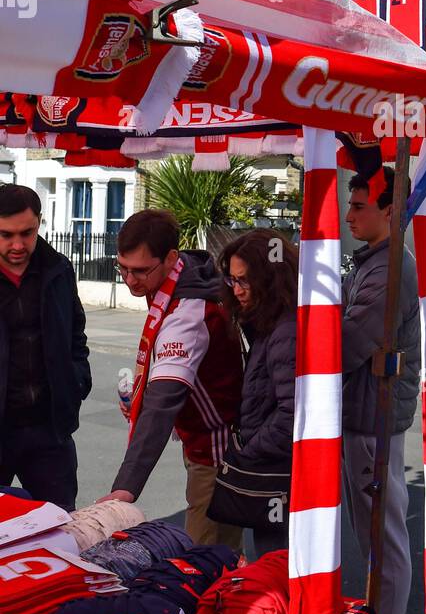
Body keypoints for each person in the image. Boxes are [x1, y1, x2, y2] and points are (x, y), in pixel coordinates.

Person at [98, 209, 243, 550]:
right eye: (122, 268)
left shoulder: (188, 312)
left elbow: (164, 401)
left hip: (216, 444)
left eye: (139, 271)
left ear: (171, 258)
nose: (130, 280)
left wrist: (127, 486)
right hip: (206, 434)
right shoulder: (183, 276)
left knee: (199, 558)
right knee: (221, 553)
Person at [342, 169, 421, 614]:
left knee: (383, 535)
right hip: (363, 413)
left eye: (360, 207)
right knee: (372, 533)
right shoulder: (371, 262)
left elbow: (351, 339)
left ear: (390, 211)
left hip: (375, 417)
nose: (350, 216)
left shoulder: (391, 268)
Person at [0, 185, 91, 509]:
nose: (17, 244)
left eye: (27, 233)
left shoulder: (59, 269)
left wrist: (77, 380)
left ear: (40, 222)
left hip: (49, 429)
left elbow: (75, 333)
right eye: (6, 234)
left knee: (60, 526)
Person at [217, 230, 297, 556]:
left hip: (277, 471)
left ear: (270, 278)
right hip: (273, 467)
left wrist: (251, 450)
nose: (236, 291)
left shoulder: (284, 330)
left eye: (244, 281)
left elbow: (292, 414)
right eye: (232, 280)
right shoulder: (269, 322)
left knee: (276, 566)